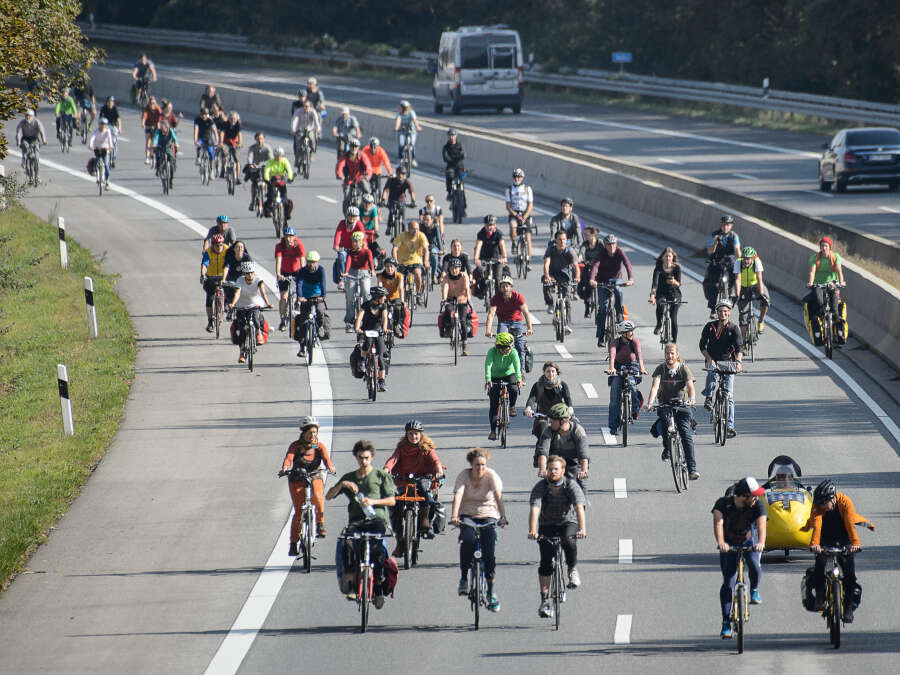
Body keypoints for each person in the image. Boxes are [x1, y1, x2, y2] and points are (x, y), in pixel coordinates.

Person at [325, 440, 395, 608]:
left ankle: (378, 588)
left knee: (377, 551)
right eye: (360, 458)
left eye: (366, 458)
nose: (363, 461)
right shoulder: (349, 477)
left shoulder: (380, 475)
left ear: (372, 457)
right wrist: (342, 485)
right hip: (356, 521)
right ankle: (351, 584)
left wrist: (373, 501)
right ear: (356, 458)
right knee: (348, 545)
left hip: (376, 520)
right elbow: (328, 496)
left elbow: (392, 500)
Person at [802, 480, 874, 623]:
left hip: (844, 537)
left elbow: (850, 524)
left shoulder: (845, 502)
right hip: (825, 536)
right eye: (819, 503)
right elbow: (816, 524)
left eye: (824, 503)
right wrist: (815, 545)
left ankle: (847, 608)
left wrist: (855, 544)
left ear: (833, 498)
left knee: (849, 573)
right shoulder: (817, 506)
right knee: (820, 563)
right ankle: (820, 596)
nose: (821, 506)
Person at [529, 455, 587, 618]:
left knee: (569, 540)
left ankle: (572, 568)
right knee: (545, 563)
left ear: (562, 470)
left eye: (556, 469)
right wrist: (533, 530)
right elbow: (535, 509)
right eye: (550, 469)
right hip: (547, 524)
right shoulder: (541, 487)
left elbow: (579, 507)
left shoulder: (571, 485)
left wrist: (582, 528)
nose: (553, 472)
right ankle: (544, 600)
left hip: (567, 522)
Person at [450, 447, 507, 612]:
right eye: (477, 465)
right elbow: (458, 495)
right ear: (471, 464)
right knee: (467, 542)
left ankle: (491, 593)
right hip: (468, 515)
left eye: (483, 464)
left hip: (489, 516)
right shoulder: (464, 475)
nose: (480, 468)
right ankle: (463, 578)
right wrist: (454, 516)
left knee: (489, 556)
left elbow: (498, 496)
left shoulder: (491, 475)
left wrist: (503, 516)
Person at [712, 477, 767, 638]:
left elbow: (761, 525)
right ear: (743, 496)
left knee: (754, 564)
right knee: (728, 581)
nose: (756, 498)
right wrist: (721, 543)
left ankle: (754, 590)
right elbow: (718, 523)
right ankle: (725, 622)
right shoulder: (723, 504)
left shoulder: (758, 505)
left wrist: (761, 543)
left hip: (749, 542)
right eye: (753, 495)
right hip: (729, 544)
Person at [384, 420, 444, 551]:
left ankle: (425, 520)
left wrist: (439, 470)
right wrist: (386, 469)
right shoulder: (401, 447)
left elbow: (435, 460)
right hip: (404, 480)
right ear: (406, 435)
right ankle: (400, 539)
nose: (413, 436)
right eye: (410, 434)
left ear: (421, 434)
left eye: (416, 433)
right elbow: (393, 459)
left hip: (423, 478)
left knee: (428, 498)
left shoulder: (426, 447)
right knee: (396, 506)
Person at [279, 416, 337, 551]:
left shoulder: (318, 446)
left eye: (315, 432)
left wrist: (330, 467)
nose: (312, 435)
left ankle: (320, 524)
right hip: (297, 477)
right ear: (303, 432)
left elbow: (326, 459)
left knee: (318, 497)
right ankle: (294, 542)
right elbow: (289, 458)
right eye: (310, 432)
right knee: (299, 510)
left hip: (315, 474)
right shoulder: (295, 446)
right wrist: (285, 468)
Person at [643, 343, 698, 479]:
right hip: (665, 405)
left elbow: (690, 387)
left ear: (677, 355)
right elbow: (655, 387)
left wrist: (692, 399)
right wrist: (650, 403)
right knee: (666, 427)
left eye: (672, 353)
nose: (670, 356)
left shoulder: (683, 368)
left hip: (682, 405)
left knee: (685, 434)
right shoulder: (660, 369)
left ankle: (692, 469)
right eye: (667, 353)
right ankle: (668, 448)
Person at [699, 300, 743, 438]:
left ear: (729, 312)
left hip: (728, 362)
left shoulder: (734, 328)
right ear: (717, 312)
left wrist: (738, 362)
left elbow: (739, 348)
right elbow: (702, 345)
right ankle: (709, 397)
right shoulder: (709, 326)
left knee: (729, 395)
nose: (723, 313)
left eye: (725, 311)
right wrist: (708, 358)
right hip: (713, 360)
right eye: (720, 311)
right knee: (711, 373)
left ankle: (730, 426)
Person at [589, 233, 634, 347]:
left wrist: (630, 278)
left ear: (616, 244)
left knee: (618, 290)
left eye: (613, 244)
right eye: (609, 244)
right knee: (603, 309)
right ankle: (600, 337)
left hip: (616, 280)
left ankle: (619, 314)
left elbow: (627, 264)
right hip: (602, 281)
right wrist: (592, 279)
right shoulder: (601, 253)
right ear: (605, 245)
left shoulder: (620, 252)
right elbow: (595, 266)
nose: (611, 246)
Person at [605, 320, 647, 437]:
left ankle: (635, 410)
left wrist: (642, 369)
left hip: (632, 366)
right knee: (614, 398)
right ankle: (613, 427)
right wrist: (611, 368)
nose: (632, 333)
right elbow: (612, 355)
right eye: (630, 331)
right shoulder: (615, 342)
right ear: (623, 333)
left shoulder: (635, 342)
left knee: (632, 385)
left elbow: (639, 355)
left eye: (632, 331)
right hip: (618, 366)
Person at [534, 403, 589, 490]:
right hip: (555, 462)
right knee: (546, 487)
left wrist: (584, 471)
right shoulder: (548, 430)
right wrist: (543, 469)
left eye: (552, 420)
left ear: (563, 421)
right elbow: (543, 452)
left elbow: (583, 454)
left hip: (574, 464)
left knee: (581, 485)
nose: (550, 422)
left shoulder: (578, 431)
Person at [803, 236, 846, 344]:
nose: (824, 248)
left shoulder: (835, 257)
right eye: (822, 246)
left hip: (832, 284)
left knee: (835, 308)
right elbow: (812, 272)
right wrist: (811, 283)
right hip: (819, 284)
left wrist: (841, 281)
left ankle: (836, 333)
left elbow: (839, 271)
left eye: (826, 246)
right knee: (819, 301)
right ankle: (821, 323)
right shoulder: (815, 258)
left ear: (830, 247)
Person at [227, 261, 273, 363]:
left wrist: (268, 303)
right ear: (244, 273)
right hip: (242, 306)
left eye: (252, 272)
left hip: (255, 304)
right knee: (242, 328)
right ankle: (242, 352)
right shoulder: (240, 280)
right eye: (248, 273)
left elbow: (263, 292)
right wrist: (233, 304)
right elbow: (237, 293)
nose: (250, 275)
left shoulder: (258, 280)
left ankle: (258, 333)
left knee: (256, 316)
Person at [485, 276, 533, 371]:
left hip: (517, 322)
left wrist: (529, 328)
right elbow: (491, 314)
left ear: (511, 287)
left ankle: (521, 370)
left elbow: (526, 313)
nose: (505, 288)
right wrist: (488, 331)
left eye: (507, 286)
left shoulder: (518, 297)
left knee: (519, 345)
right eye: (503, 286)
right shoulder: (496, 298)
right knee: (501, 344)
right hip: (503, 322)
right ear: (500, 288)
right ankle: (501, 367)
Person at [484, 332, 524, 440]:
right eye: (507, 347)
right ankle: (493, 431)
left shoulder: (513, 352)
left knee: (514, 389)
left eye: (511, 346)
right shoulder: (492, 352)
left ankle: (512, 406)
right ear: (499, 347)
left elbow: (517, 365)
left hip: (509, 374)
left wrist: (519, 379)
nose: (510, 348)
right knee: (493, 404)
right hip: (495, 376)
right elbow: (488, 365)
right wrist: (488, 379)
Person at [703, 215, 741, 318]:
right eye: (723, 224)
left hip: (729, 261)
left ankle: (733, 296)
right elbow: (710, 251)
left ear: (731, 226)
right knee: (713, 284)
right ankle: (712, 309)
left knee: (735, 277)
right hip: (716, 260)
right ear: (721, 225)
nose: (725, 227)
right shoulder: (714, 235)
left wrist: (741, 260)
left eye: (727, 225)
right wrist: (715, 243)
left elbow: (737, 250)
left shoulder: (734, 236)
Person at [524, 362, 574, 440]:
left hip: (559, 416)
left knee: (573, 428)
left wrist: (570, 408)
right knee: (542, 431)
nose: (550, 374)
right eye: (548, 371)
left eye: (553, 371)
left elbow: (567, 398)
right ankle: (541, 447)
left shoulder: (562, 385)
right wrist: (528, 408)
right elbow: (532, 398)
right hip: (543, 416)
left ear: (556, 372)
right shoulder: (538, 385)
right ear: (544, 372)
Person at [354, 286, 390, 391]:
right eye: (383, 296)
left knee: (381, 356)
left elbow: (385, 318)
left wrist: (384, 328)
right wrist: (357, 328)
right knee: (367, 344)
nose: (385, 298)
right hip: (366, 330)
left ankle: (381, 381)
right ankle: (362, 361)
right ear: (377, 297)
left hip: (378, 332)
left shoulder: (383, 306)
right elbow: (359, 317)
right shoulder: (365, 305)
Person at [294, 250, 328, 358]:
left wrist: (323, 296)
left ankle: (320, 327)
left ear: (317, 262)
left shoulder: (321, 270)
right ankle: (302, 347)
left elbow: (323, 283)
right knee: (303, 321)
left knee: (320, 311)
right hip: (305, 297)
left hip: (317, 296)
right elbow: (299, 285)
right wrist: (300, 297)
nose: (311, 264)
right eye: (309, 262)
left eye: (313, 262)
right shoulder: (302, 271)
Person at [542, 230, 580, 326]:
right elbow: (546, 263)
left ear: (566, 240)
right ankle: (550, 303)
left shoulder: (570, 251)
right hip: (552, 275)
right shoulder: (551, 249)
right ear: (555, 240)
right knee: (545, 284)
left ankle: (568, 323)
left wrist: (577, 277)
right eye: (559, 239)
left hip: (565, 277)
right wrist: (547, 276)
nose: (562, 241)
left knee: (567, 300)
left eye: (564, 239)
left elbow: (576, 266)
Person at [732, 246, 770, 337]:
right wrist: (737, 295)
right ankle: (743, 341)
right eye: (744, 258)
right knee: (743, 318)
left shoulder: (757, 262)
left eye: (748, 259)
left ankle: (761, 320)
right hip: (743, 287)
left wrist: (761, 294)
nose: (746, 261)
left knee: (766, 301)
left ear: (752, 258)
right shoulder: (738, 263)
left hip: (755, 285)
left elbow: (759, 279)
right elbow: (737, 279)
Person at [275, 227, 307, 331]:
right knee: (283, 296)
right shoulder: (280, 246)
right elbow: (279, 260)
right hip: (284, 272)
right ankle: (282, 320)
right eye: (287, 236)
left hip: (297, 270)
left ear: (294, 237)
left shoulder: (299, 245)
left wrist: (303, 273)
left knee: (301, 290)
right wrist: (279, 274)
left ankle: (298, 302)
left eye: (291, 236)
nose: (289, 239)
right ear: (284, 237)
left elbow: (302, 261)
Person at [649, 247, 683, 341]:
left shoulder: (677, 268)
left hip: (674, 293)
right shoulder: (658, 269)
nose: (668, 258)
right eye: (666, 256)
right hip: (662, 293)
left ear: (672, 257)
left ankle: (674, 341)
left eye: (669, 256)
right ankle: (659, 325)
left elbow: (679, 283)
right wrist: (652, 295)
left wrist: (673, 282)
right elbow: (655, 284)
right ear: (662, 257)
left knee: (673, 317)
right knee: (660, 305)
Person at [440, 257, 472, 355]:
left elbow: (467, 288)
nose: (454, 270)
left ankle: (465, 346)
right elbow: (445, 287)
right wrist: (444, 299)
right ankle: (449, 329)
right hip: (450, 300)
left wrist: (469, 300)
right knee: (448, 311)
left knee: (463, 321)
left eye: (456, 268)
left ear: (460, 268)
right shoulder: (446, 277)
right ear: (449, 269)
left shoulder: (464, 276)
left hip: (462, 300)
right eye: (452, 268)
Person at [344, 230, 375, 330]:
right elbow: (348, 262)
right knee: (349, 297)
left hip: (364, 273)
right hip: (352, 273)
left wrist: (372, 270)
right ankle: (349, 321)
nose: (355, 243)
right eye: (354, 241)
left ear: (362, 242)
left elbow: (370, 261)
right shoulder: (350, 252)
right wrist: (346, 272)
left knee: (366, 294)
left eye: (357, 241)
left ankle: (367, 318)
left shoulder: (367, 251)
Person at [392, 219, 430, 298]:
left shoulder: (421, 236)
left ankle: (418, 292)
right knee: (400, 280)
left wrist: (426, 261)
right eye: (413, 229)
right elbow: (395, 249)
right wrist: (395, 261)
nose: (416, 231)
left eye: (417, 229)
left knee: (417, 274)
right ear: (409, 229)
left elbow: (426, 249)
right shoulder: (402, 236)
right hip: (403, 261)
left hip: (416, 260)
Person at [473, 215, 508, 297]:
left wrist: (504, 257)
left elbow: (502, 245)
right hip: (484, 258)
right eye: (487, 225)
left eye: (491, 225)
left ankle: (499, 297)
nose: (489, 227)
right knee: (480, 272)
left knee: (498, 277)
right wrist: (476, 258)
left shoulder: (499, 234)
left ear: (495, 225)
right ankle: (481, 291)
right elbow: (478, 246)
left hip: (497, 258)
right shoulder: (481, 233)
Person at [505, 168, 534, 266]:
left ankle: (528, 259)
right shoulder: (509, 189)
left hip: (525, 214)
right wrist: (516, 215)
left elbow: (530, 205)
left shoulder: (527, 189)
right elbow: (508, 206)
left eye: (519, 177)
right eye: (515, 177)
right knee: (513, 226)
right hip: (514, 213)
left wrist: (525, 216)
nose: (517, 179)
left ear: (522, 178)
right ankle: (514, 242)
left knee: (528, 237)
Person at [200, 234, 230, 332]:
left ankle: (227, 305)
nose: (219, 247)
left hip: (224, 275)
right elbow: (204, 265)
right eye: (217, 245)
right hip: (211, 277)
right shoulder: (208, 252)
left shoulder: (227, 250)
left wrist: (224, 278)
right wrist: (202, 275)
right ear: (212, 245)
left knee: (231, 289)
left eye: (221, 245)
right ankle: (210, 321)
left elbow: (227, 266)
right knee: (209, 298)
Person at [333, 206, 365, 287]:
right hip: (344, 248)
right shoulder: (342, 223)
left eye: (354, 216)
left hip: (355, 248)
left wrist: (364, 245)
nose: (352, 218)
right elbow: (338, 234)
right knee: (341, 257)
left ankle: (362, 277)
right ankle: (341, 280)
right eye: (350, 216)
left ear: (357, 217)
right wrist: (336, 245)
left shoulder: (359, 224)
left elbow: (363, 235)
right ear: (347, 215)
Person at [335, 137, 372, 203]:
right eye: (352, 146)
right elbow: (339, 166)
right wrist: (339, 175)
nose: (354, 148)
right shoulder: (345, 156)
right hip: (349, 178)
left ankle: (371, 207)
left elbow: (368, 166)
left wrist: (368, 175)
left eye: (356, 146)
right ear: (349, 147)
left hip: (360, 178)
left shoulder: (362, 155)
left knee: (367, 192)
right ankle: (346, 206)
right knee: (346, 197)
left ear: (358, 147)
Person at [244, 132, 273, 210]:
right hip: (255, 168)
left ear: (264, 139)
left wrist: (269, 165)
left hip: (265, 168)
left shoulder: (267, 148)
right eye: (258, 139)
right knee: (254, 183)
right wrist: (250, 164)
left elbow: (271, 159)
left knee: (271, 183)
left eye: (261, 139)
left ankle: (269, 202)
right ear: (255, 139)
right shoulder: (252, 148)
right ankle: (253, 201)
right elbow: (249, 157)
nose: (260, 140)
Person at [381, 165, 416, 230]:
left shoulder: (407, 182)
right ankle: (389, 227)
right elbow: (385, 190)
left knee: (403, 213)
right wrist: (383, 200)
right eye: (399, 173)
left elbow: (411, 192)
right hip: (392, 200)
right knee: (391, 212)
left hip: (402, 201)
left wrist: (413, 201)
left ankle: (404, 229)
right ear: (396, 173)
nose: (401, 175)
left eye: (403, 174)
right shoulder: (391, 180)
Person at [377, 257, 405, 335]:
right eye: (387, 266)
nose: (389, 269)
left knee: (398, 309)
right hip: (384, 297)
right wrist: (381, 299)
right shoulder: (380, 276)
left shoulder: (399, 276)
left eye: (391, 266)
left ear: (395, 267)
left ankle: (396, 326)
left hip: (395, 297)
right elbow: (380, 288)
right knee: (381, 310)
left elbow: (401, 288)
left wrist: (402, 300)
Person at [263, 147, 294, 219]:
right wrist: (267, 179)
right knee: (271, 197)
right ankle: (268, 211)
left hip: (282, 182)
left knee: (285, 200)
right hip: (272, 182)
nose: (278, 158)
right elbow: (267, 171)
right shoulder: (270, 162)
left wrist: (290, 178)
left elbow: (289, 170)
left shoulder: (285, 161)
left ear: (282, 156)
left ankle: (287, 215)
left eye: (280, 156)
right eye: (276, 156)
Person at [362, 137, 392, 201]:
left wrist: (389, 172)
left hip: (377, 172)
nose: (373, 149)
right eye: (371, 147)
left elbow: (386, 161)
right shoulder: (365, 150)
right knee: (364, 188)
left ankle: (379, 201)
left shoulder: (381, 151)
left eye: (375, 147)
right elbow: (360, 159)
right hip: (368, 172)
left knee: (379, 190)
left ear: (377, 147)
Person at [223, 239, 251, 306]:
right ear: (234, 249)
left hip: (242, 277)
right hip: (231, 278)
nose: (240, 248)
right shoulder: (230, 257)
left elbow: (249, 270)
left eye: (241, 247)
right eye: (238, 247)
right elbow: (226, 268)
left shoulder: (246, 257)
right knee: (229, 290)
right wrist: (223, 279)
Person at [88, 117, 115, 185]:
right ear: (99, 124)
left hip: (105, 149)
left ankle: (107, 179)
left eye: (104, 124)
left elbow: (110, 139)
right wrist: (91, 145)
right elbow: (92, 138)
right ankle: (94, 171)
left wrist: (111, 146)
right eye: (102, 124)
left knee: (106, 164)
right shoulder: (96, 131)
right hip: (97, 148)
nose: (103, 125)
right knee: (97, 159)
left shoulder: (107, 131)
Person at [395, 99, 422, 166]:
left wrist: (417, 127)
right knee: (401, 144)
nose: (399, 108)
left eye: (400, 107)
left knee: (412, 144)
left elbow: (415, 121)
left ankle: (413, 159)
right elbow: (398, 121)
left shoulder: (411, 112)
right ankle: (400, 158)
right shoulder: (399, 114)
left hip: (411, 132)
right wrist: (396, 128)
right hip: (402, 132)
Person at [420, 211, 443, 283]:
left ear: (432, 220)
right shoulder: (421, 227)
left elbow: (439, 239)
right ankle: (422, 274)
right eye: (424, 220)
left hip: (433, 246)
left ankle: (434, 274)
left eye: (428, 220)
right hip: (423, 246)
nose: (426, 222)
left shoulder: (435, 227)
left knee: (434, 255)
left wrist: (441, 249)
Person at [98, 96, 122, 167]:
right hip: (106, 126)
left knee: (114, 143)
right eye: (109, 102)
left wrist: (119, 128)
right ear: (107, 102)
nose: (110, 103)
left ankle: (113, 159)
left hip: (113, 126)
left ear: (113, 103)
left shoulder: (115, 109)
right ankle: (103, 156)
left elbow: (118, 120)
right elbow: (100, 119)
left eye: (111, 102)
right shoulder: (103, 108)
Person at [219, 111, 243, 181]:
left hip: (235, 143)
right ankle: (223, 168)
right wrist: (221, 142)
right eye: (231, 118)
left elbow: (239, 134)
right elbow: (222, 133)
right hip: (226, 142)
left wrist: (240, 143)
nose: (233, 120)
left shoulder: (238, 124)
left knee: (236, 159)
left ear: (237, 119)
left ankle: (237, 177)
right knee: (224, 154)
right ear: (228, 119)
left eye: (234, 119)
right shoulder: (225, 124)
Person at [442, 128, 465, 200]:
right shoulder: (446, 147)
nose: (451, 137)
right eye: (450, 135)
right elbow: (445, 158)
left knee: (462, 179)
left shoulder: (460, 145)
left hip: (459, 166)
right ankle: (449, 192)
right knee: (449, 176)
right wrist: (453, 159)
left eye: (453, 135)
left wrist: (460, 156)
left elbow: (463, 155)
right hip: (450, 166)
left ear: (456, 136)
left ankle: (462, 196)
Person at [360, 193, 383, 263]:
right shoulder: (359, 208)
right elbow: (357, 221)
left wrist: (376, 230)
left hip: (370, 229)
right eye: (365, 202)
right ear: (362, 202)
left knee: (374, 245)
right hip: (361, 229)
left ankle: (378, 256)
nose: (367, 205)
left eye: (369, 203)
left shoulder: (373, 209)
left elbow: (375, 220)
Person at [141, 96, 162, 165]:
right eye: (151, 103)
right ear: (149, 104)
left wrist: (159, 124)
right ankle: (147, 158)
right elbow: (144, 117)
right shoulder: (147, 108)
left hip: (156, 126)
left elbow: (161, 116)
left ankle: (153, 156)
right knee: (148, 142)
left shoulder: (158, 108)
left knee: (154, 143)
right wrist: (143, 123)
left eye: (154, 103)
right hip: (148, 126)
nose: (152, 105)